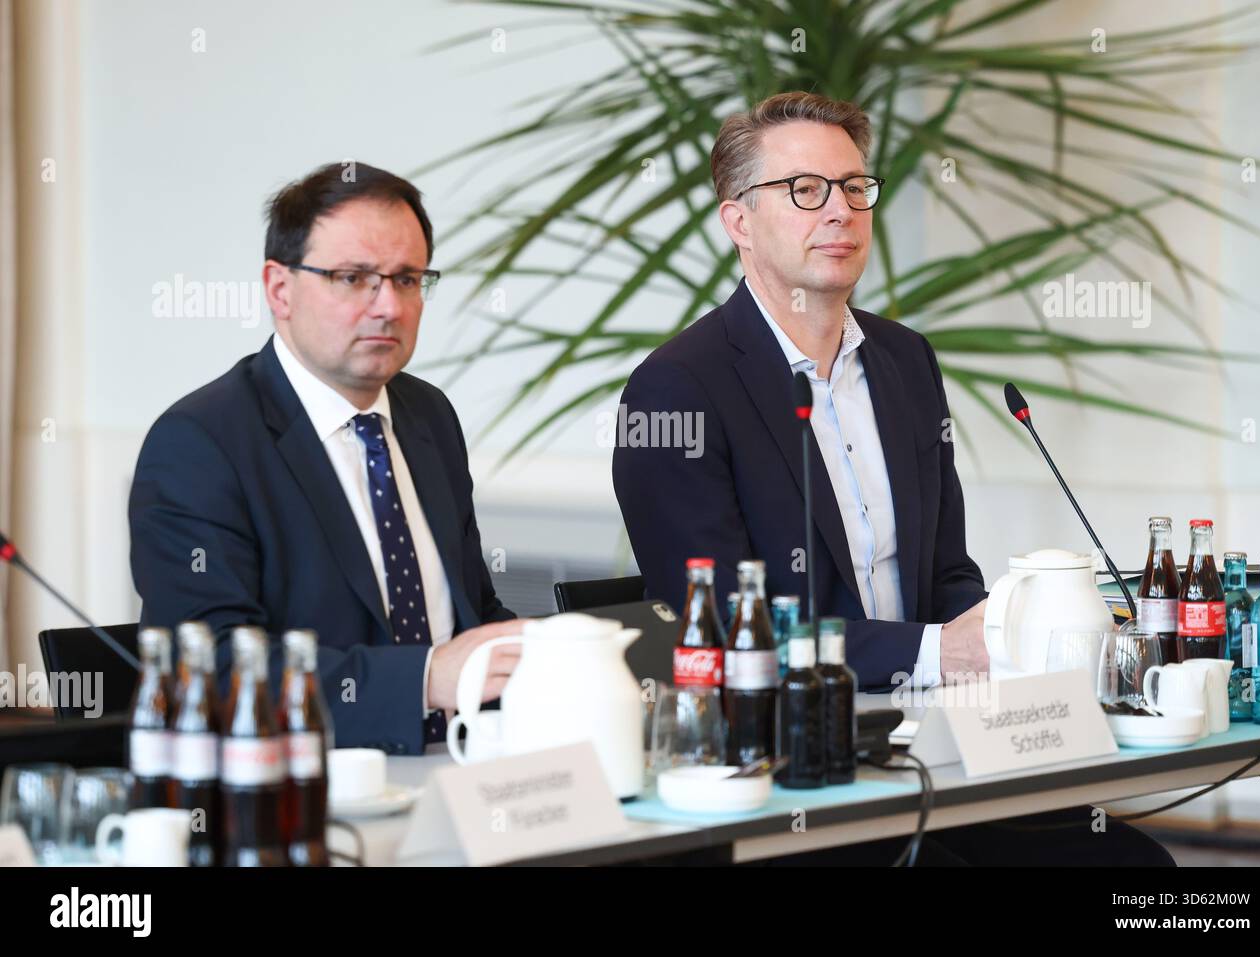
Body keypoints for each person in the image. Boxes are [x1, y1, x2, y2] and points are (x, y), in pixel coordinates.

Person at [613, 92, 1173, 866]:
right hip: (794, 777)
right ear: (739, 221)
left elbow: (947, 573)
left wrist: (1015, 634)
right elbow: (724, 633)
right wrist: (945, 651)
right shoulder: (678, 390)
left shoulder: (906, 361)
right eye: (805, 190)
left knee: (1134, 869)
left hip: (938, 749)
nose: (839, 210)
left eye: (854, 186)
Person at [129, 162, 522, 754]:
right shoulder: (199, 443)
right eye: (352, 277)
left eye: (408, 278)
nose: (387, 304)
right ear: (279, 289)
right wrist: (425, 678)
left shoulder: (428, 416)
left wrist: (547, 656)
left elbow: (471, 608)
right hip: (309, 793)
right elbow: (214, 664)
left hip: (464, 769)